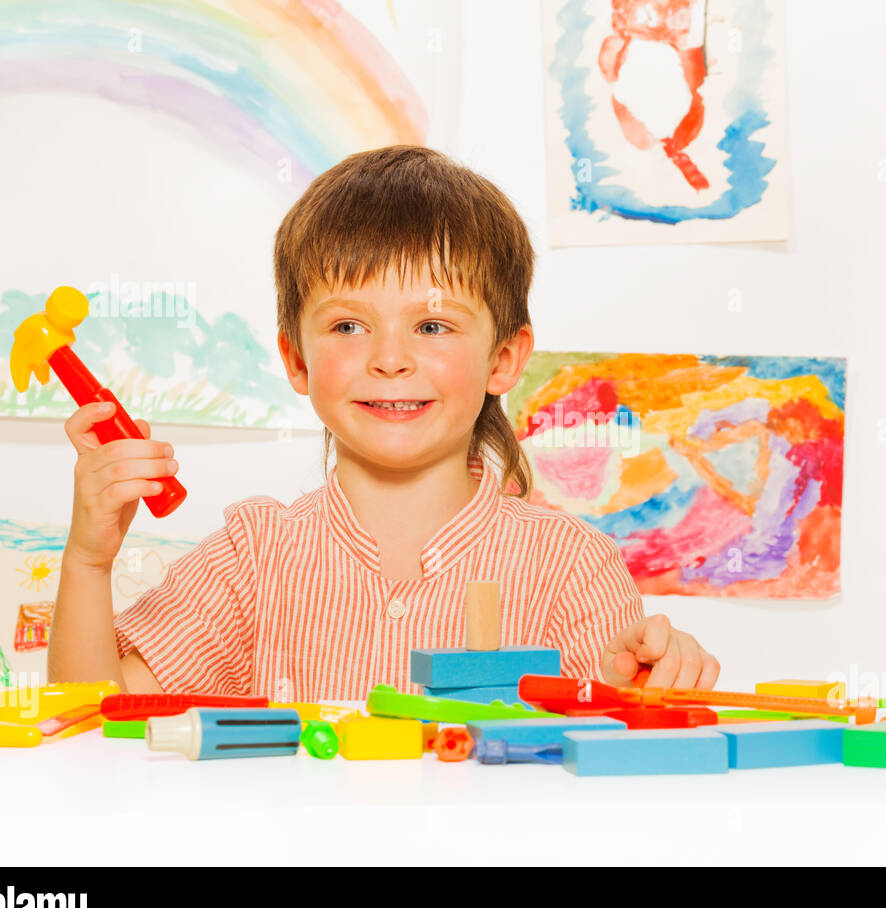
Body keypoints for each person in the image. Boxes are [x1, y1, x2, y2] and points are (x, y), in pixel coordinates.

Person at [49, 146, 719, 700]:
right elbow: (99, 726)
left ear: (504, 358)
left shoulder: (569, 568)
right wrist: (88, 560)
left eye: (432, 325)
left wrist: (650, 686)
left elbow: (608, 743)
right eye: (348, 325)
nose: (390, 359)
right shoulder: (254, 555)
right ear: (298, 361)